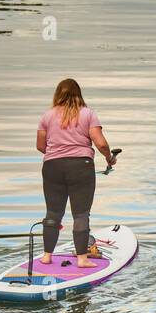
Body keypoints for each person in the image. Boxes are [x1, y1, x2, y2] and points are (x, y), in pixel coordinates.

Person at [35, 78, 117, 269]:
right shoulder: (88, 114)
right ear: (79, 94)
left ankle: (47, 256)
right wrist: (108, 158)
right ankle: (82, 259)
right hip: (81, 166)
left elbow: (40, 146)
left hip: (52, 167)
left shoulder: (47, 116)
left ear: (58, 94)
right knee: (80, 215)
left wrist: (58, 154)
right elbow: (101, 143)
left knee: (53, 213)